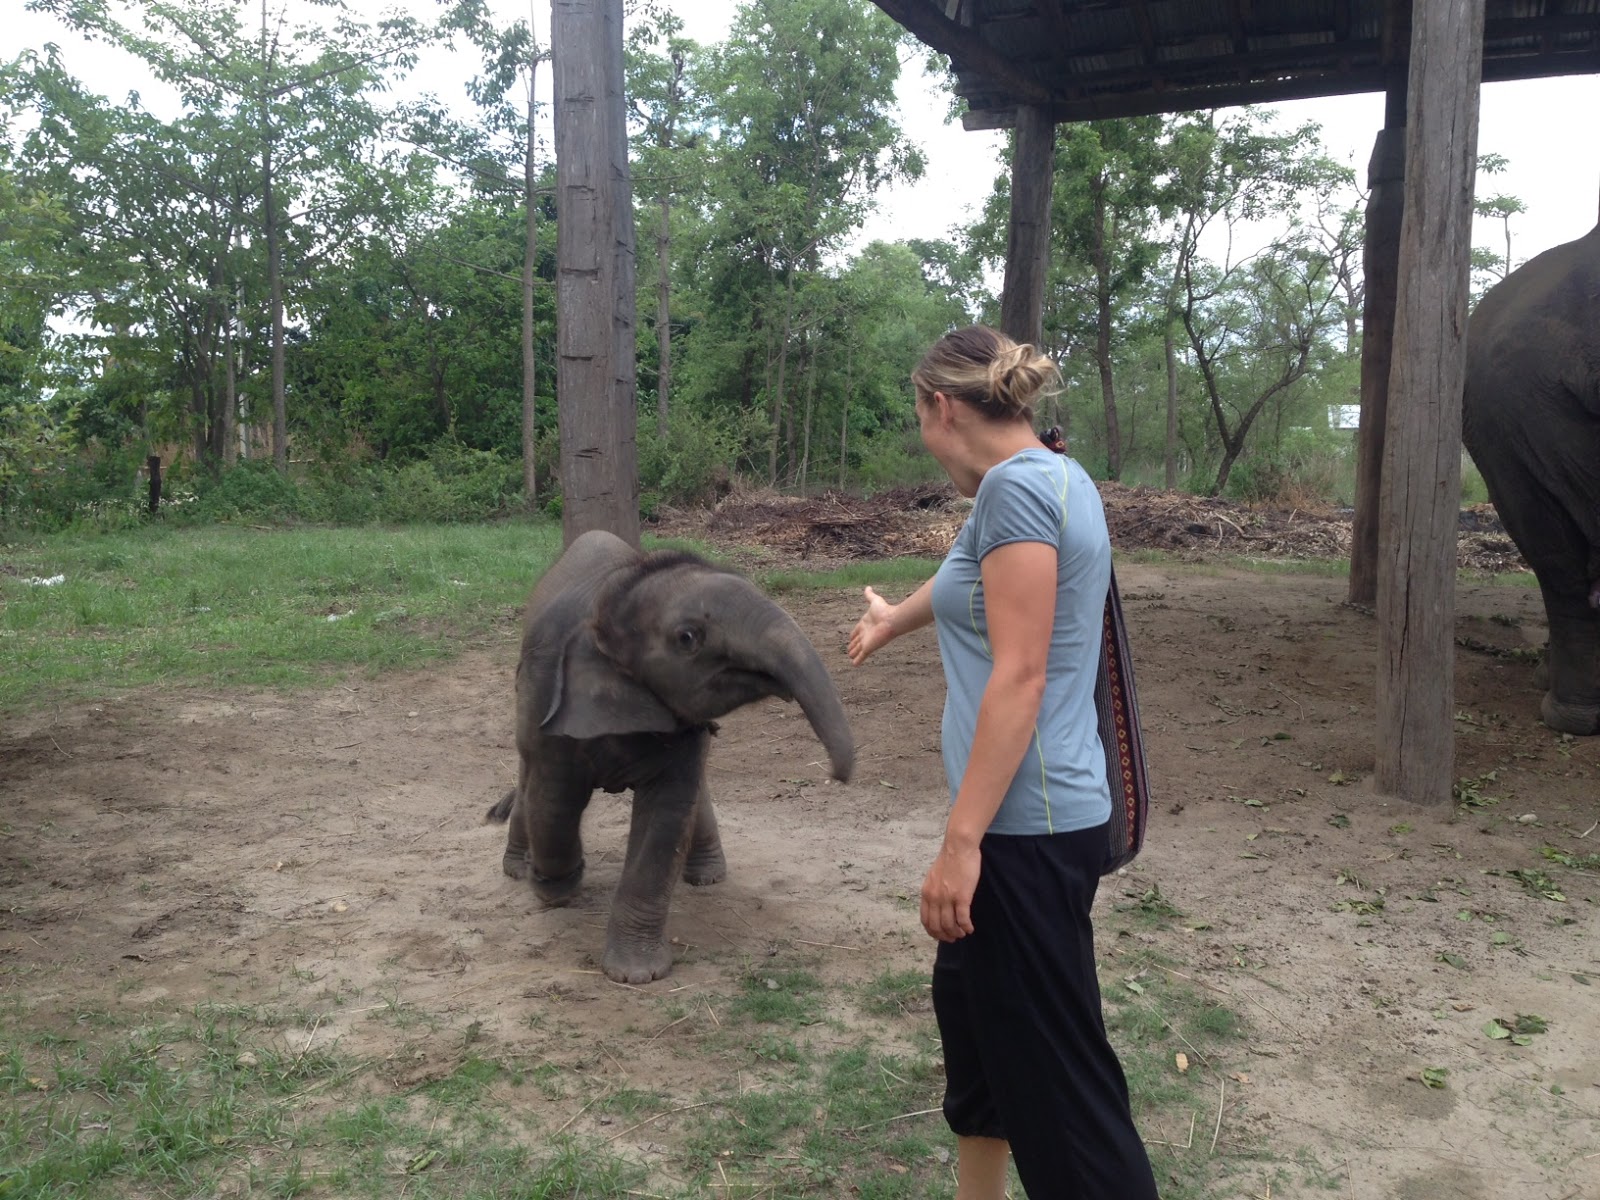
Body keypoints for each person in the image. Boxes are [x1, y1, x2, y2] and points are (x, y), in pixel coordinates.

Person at [848, 325, 1158, 1200]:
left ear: (942, 408)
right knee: (981, 1047)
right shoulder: (1041, 478)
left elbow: (1018, 677)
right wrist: (888, 619)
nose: (922, 433)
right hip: (1032, 823)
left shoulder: (1016, 496)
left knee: (1064, 1097)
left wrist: (961, 843)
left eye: (919, 416)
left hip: (1024, 828)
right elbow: (961, 579)